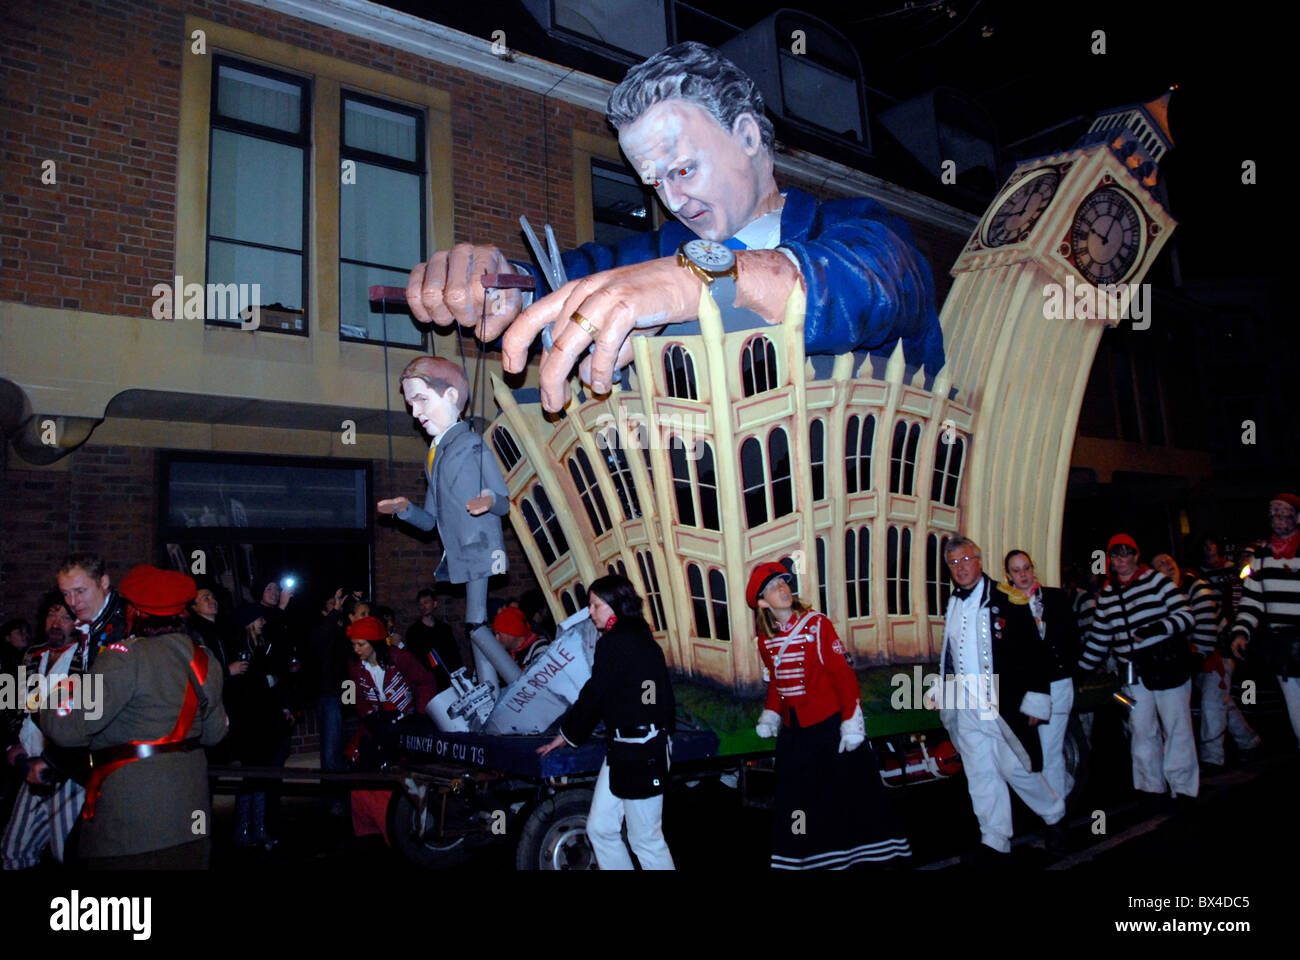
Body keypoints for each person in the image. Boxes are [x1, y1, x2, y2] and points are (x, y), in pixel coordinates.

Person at [405, 41, 943, 413]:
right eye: (654, 183)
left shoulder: (858, 229)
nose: (673, 199)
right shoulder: (654, 253)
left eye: (683, 168)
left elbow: (879, 283)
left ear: (750, 137)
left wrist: (704, 277)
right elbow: (572, 276)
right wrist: (504, 283)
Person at [38, 565, 227, 869]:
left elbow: (66, 728)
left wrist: (57, 692)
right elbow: (214, 734)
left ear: (135, 611)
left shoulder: (123, 657)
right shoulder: (204, 658)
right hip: (193, 818)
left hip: (132, 825)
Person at [747, 562, 911, 869]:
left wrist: (851, 725)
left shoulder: (817, 624)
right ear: (761, 602)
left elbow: (843, 676)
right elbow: (776, 686)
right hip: (795, 731)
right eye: (773, 587)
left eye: (784, 583)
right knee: (798, 801)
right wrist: (770, 715)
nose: (782, 589)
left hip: (830, 726)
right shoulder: (765, 640)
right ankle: (802, 857)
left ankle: (870, 858)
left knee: (850, 795)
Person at [376, 356, 521, 693]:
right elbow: (429, 523)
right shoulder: (435, 455)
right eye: (411, 403)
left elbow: (504, 500)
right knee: (476, 622)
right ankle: (490, 690)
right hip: (458, 552)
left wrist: (488, 501)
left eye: (421, 400)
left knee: (475, 622)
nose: (415, 412)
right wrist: (405, 509)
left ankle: (517, 683)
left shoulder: (472, 446)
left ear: (453, 396)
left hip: (481, 546)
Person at [937, 538, 1063, 862]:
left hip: (1001, 703)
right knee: (980, 773)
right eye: (953, 562)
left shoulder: (1010, 599)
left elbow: (1036, 652)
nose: (960, 566)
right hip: (967, 705)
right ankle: (994, 839)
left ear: (979, 561)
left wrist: (1036, 699)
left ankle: (1053, 814)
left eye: (966, 559)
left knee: (1016, 767)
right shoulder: (953, 603)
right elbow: (950, 655)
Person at [537, 575, 675, 870]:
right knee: (600, 829)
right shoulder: (638, 637)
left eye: (595, 604)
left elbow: (595, 694)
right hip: (624, 749)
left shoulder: (618, 641)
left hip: (640, 748)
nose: (590, 611)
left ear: (614, 606)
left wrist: (566, 734)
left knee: (645, 839)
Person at [1078, 534, 1198, 806]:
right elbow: (1099, 638)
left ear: (1136, 556)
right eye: (1116, 555)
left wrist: (1157, 628)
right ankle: (1149, 787)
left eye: (1126, 554)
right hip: (1132, 672)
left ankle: (1183, 789)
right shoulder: (1108, 595)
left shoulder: (1157, 581)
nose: (1121, 560)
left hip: (1166, 665)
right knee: (1140, 727)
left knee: (1176, 726)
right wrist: (1081, 670)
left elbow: (1186, 616)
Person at [1152, 554, 1259, 768]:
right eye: (1160, 564)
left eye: (1169, 561)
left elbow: (1206, 629)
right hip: (1195, 657)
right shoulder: (1163, 596)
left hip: (1217, 654)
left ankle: (1212, 758)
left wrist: (1195, 659)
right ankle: (1249, 741)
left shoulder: (1197, 589)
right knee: (1222, 702)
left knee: (1212, 704)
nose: (1167, 566)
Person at [1, 594, 85, 869]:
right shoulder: (33, 656)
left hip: (67, 773)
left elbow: (86, 721)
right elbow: (15, 706)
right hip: (31, 768)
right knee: (13, 850)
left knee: (67, 852)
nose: (56, 623)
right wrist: (13, 744)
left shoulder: (86, 658)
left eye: (65, 617)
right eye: (52, 615)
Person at [1004, 549, 1078, 847]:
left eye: (1026, 568)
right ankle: (1053, 810)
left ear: (1033, 569)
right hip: (1027, 691)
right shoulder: (1007, 605)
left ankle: (1056, 822)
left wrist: (1068, 671)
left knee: (1050, 752)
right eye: (1016, 570)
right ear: (1008, 575)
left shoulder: (1054, 598)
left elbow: (1072, 638)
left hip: (1057, 685)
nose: (1023, 574)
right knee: (1033, 755)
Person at [1231, 493, 1300, 750]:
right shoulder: (1261, 557)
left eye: (1284, 513)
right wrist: (1241, 633)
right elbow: (1251, 601)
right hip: (1285, 648)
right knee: (1297, 712)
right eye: (1274, 513)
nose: (1278, 518)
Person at [227, 603, 293, 850]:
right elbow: (242, 689)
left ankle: (260, 828)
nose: (262, 622)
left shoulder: (262, 647)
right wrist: (263, 682)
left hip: (265, 720)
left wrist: (280, 705)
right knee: (251, 776)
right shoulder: (241, 648)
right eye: (258, 619)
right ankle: (243, 829)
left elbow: (271, 682)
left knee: (262, 776)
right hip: (249, 723)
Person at [346, 616, 436, 762]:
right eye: (353, 644)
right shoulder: (355, 666)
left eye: (360, 644)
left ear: (374, 643)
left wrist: (420, 713)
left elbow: (426, 682)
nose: (355, 649)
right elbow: (355, 697)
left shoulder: (400, 658)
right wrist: (369, 715)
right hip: (377, 728)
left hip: (408, 726)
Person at [405, 588, 462, 687]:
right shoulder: (413, 632)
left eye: (426, 602)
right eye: (420, 604)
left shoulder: (445, 629)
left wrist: (458, 678)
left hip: (447, 680)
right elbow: (413, 660)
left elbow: (454, 655)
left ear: (435, 604)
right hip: (426, 682)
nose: (423, 606)